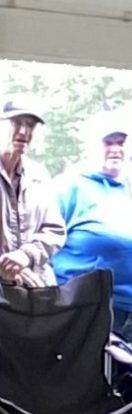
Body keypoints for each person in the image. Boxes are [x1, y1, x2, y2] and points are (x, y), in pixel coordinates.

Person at [51, 116, 132, 352]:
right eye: (108, 142)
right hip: (89, 308)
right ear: (90, 146)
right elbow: (45, 240)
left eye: (121, 142)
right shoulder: (68, 187)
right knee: (87, 383)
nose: (115, 149)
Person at [0, 97, 63, 290]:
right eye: (16, 122)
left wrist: (25, 255)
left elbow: (55, 230)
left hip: (34, 289)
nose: (24, 131)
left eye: (30, 125)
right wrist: (5, 266)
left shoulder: (39, 175)